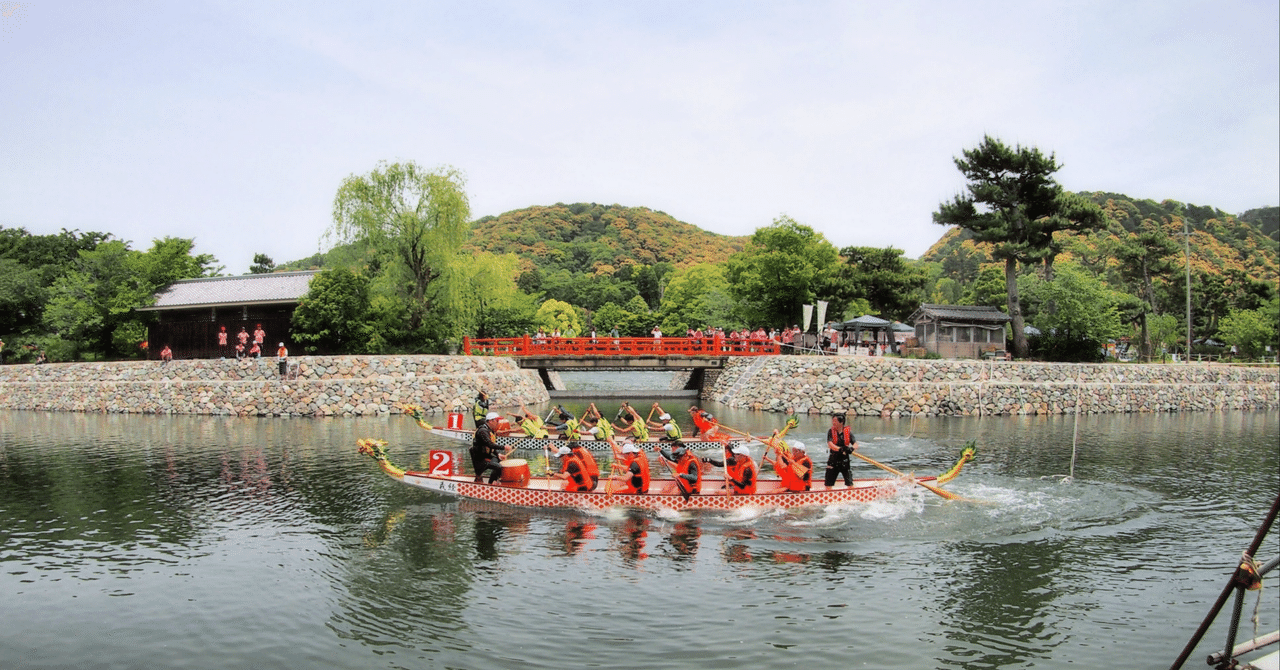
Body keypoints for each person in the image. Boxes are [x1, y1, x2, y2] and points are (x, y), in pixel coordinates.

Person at [470, 412, 513, 484]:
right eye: (497, 420)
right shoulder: (483, 431)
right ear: (490, 421)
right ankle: (491, 483)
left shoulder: (490, 430)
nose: (498, 423)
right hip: (480, 459)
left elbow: (491, 447)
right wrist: (504, 447)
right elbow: (489, 444)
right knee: (498, 467)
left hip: (486, 455)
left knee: (499, 460)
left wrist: (498, 454)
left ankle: (494, 479)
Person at [825, 414, 858, 487]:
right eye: (833, 421)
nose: (833, 423)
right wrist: (840, 449)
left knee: (849, 482)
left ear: (841, 422)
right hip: (833, 460)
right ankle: (829, 495)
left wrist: (851, 449)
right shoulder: (831, 431)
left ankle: (851, 493)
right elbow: (830, 444)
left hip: (844, 461)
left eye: (835, 421)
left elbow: (855, 444)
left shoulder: (847, 432)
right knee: (828, 483)